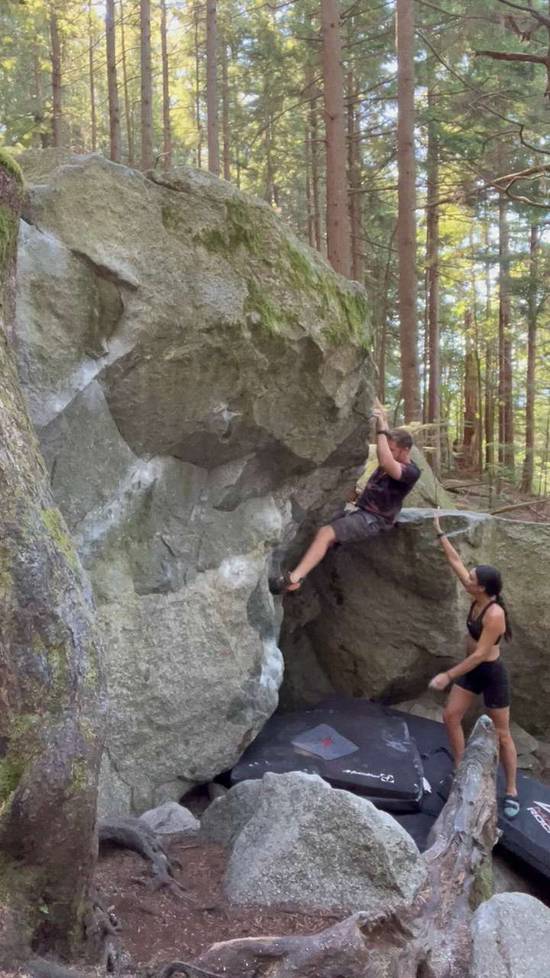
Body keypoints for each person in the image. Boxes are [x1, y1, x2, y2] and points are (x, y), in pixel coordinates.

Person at [269, 399, 420, 594]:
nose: (388, 452)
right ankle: (304, 568)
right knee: (324, 534)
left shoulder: (411, 472)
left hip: (374, 520)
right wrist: (381, 414)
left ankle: (293, 580)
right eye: (388, 448)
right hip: (363, 511)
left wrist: (381, 429)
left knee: (325, 533)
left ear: (405, 450)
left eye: (393, 450)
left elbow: (385, 460)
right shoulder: (395, 457)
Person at [429, 512, 519, 819]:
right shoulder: (476, 596)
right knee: (450, 715)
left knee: (502, 734)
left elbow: (481, 655)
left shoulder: (494, 615)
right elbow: (455, 561)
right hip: (472, 671)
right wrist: (440, 534)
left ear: (481, 587)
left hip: (490, 674)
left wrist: (448, 674)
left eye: (471, 578)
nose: (466, 577)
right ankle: (460, 766)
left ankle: (511, 791)